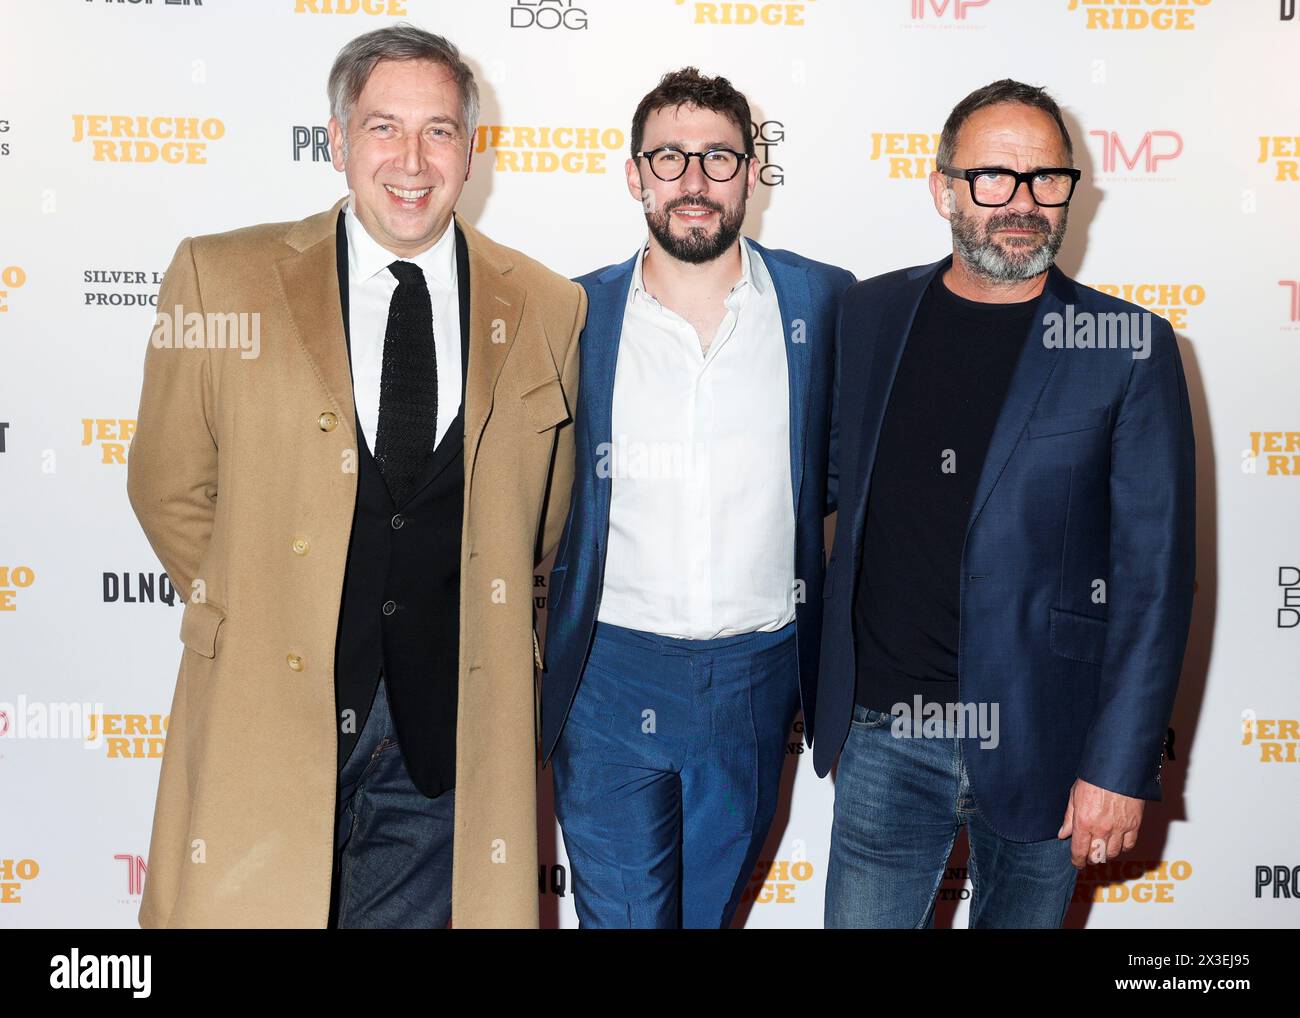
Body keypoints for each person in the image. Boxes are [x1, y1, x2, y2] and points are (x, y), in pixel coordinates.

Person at [127, 24, 585, 928]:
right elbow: (169, 485)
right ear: (336, 141)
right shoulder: (220, 277)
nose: (412, 160)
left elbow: (546, 527)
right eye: (383, 127)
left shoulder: (547, 304)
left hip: (447, 738)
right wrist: (269, 604)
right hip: (270, 715)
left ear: (470, 148)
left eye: (439, 131)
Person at [816, 79, 1196, 928]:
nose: (1020, 203)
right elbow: (824, 487)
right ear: (944, 185)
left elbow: (1155, 582)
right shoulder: (870, 314)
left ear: (1070, 193)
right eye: (993, 177)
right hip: (886, 733)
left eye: (1045, 180)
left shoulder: (1127, 346)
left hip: (1051, 743)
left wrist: (1121, 765)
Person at [539, 67, 854, 928]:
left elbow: (840, 468)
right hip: (607, 675)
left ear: (754, 172)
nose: (694, 181)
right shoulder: (572, 314)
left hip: (756, 679)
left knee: (709, 914)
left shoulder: (821, 302)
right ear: (635, 174)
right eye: (669, 158)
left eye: (719, 158)